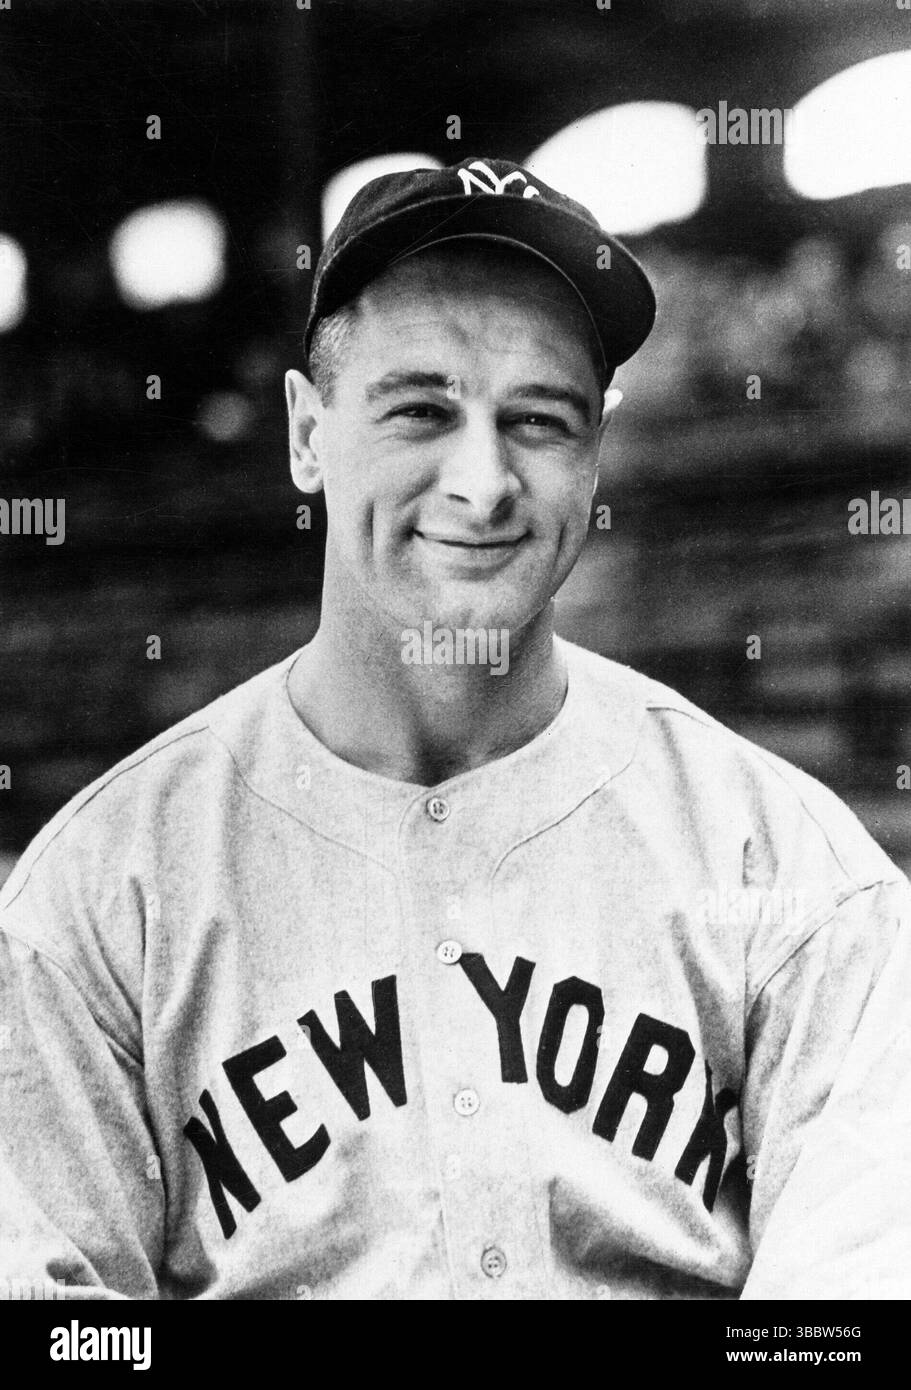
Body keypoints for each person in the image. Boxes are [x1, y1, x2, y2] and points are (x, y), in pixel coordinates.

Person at [0, 156, 908, 1301]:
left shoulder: (792, 879)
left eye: (538, 420)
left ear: (592, 459)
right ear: (306, 433)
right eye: (420, 409)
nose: (482, 483)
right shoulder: (97, 900)